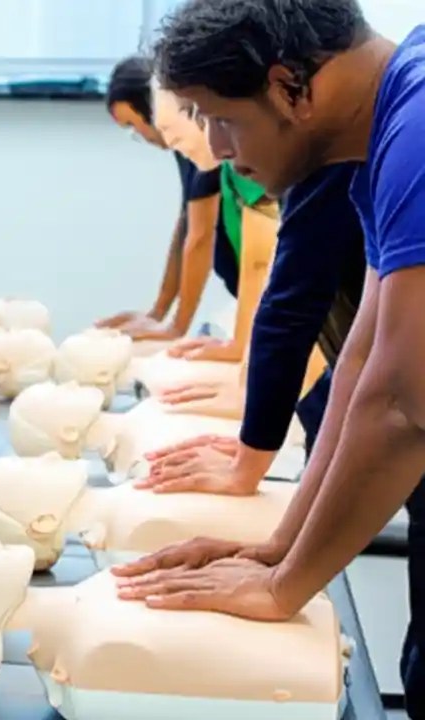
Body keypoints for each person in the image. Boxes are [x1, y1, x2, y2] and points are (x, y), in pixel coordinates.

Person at [109, 1, 425, 713]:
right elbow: (361, 364)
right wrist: (279, 547)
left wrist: (284, 588)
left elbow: (407, 404)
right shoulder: (381, 140)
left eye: (217, 115)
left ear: (290, 88)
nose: (217, 147)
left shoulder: (418, 129)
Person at [140, 163, 366, 495]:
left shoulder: (330, 173)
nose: (220, 149)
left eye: (221, 120)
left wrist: (253, 448)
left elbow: (288, 308)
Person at [98, 55, 224, 342]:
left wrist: (176, 328)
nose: (139, 136)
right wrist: (157, 312)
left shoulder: (204, 144)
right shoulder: (186, 150)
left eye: (133, 125)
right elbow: (186, 226)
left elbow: (202, 237)